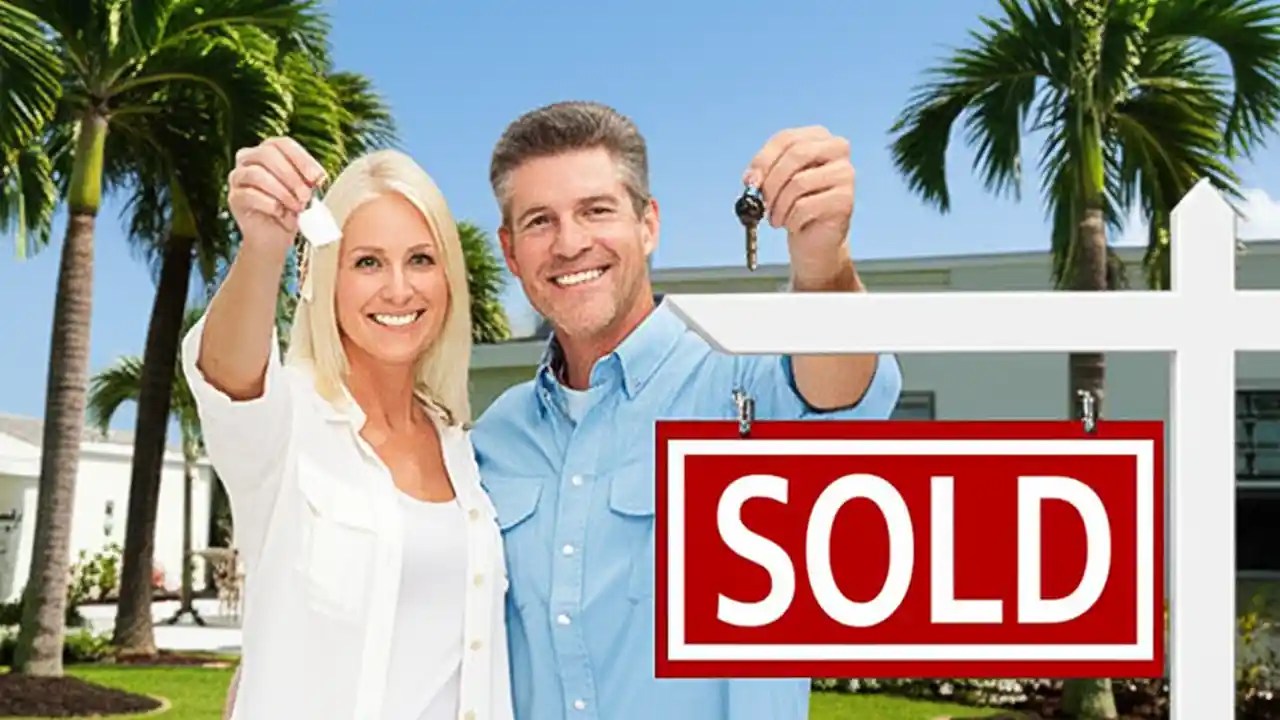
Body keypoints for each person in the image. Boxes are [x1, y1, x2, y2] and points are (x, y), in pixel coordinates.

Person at [469, 101, 903, 720]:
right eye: (541, 221)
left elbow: (838, 393)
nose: (570, 243)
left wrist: (823, 263)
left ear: (649, 224)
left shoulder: (742, 381)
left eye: (597, 210)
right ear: (511, 253)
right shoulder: (492, 442)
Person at [182, 140, 514, 720]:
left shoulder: (462, 449)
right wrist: (264, 247)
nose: (398, 289)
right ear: (326, 278)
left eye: (420, 259)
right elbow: (228, 376)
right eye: (367, 262)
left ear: (448, 280)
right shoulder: (288, 426)